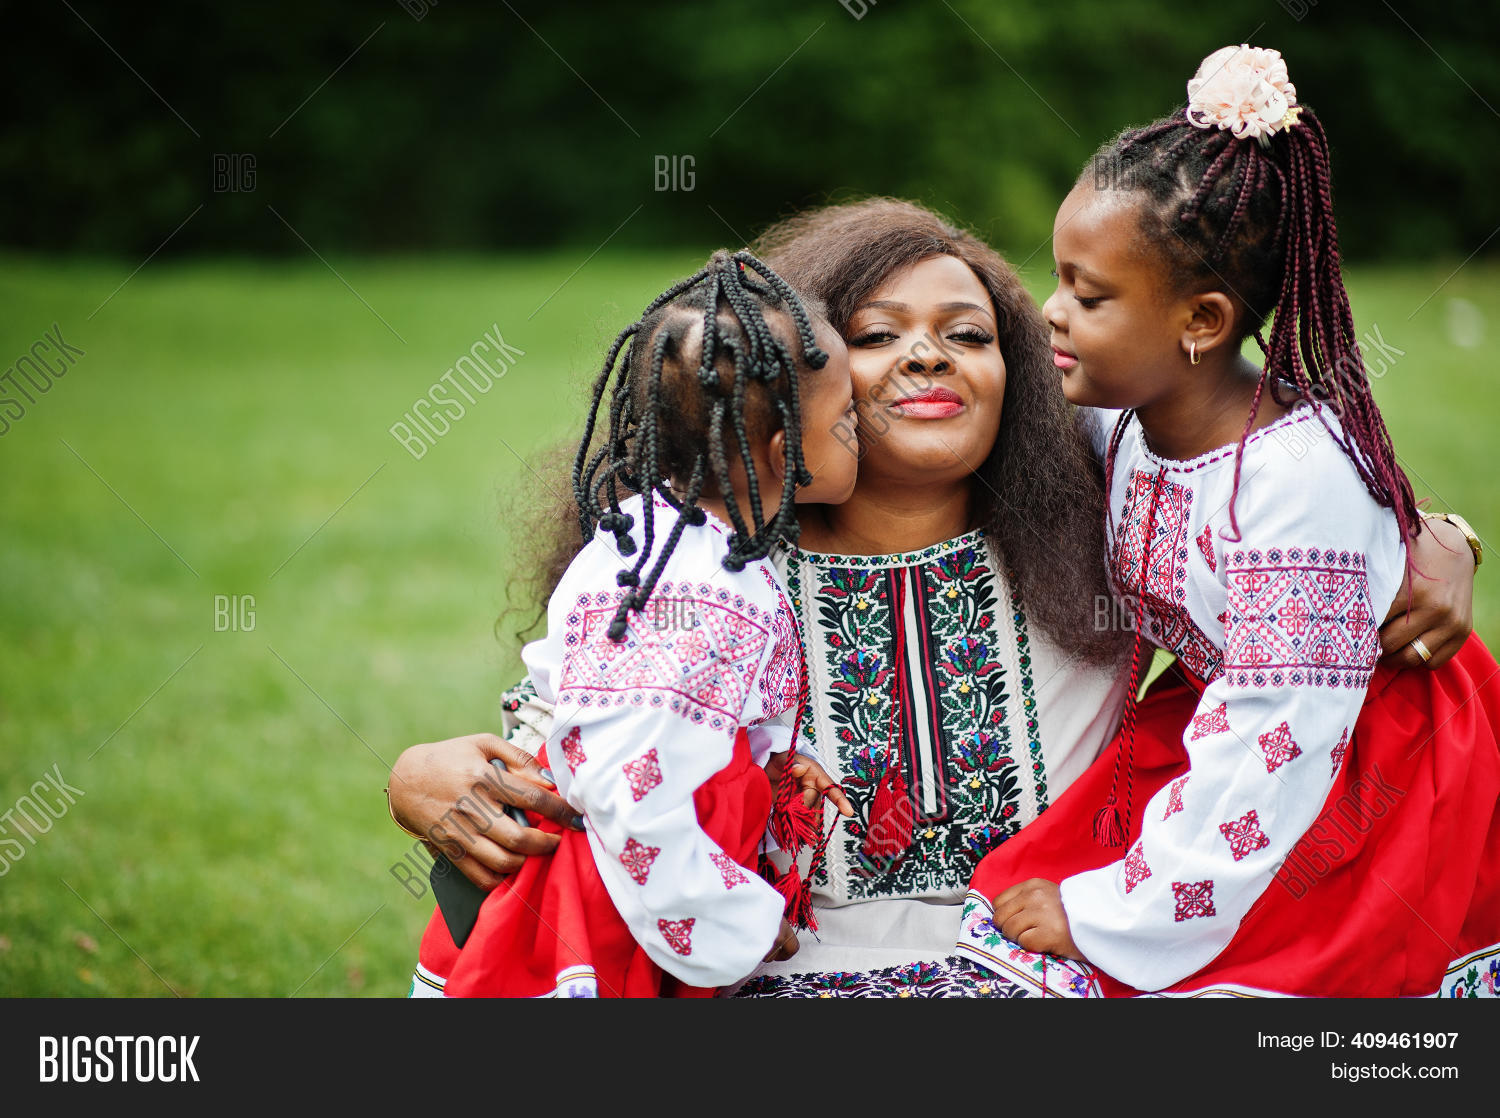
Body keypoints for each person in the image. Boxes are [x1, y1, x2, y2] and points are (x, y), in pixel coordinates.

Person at [390, 196, 1480, 998]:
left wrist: (1437, 535)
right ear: (790, 390)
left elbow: (1281, 500)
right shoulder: (713, 557)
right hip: (767, 965)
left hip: (1041, 954)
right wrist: (422, 770)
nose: (927, 356)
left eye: (970, 335)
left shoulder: (1091, 492)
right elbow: (601, 722)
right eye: (873, 336)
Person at [959, 45, 1500, 998]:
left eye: (1087, 296)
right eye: (1059, 279)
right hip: (1233, 712)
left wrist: (1115, 912)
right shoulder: (1120, 408)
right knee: (1006, 898)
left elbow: (1275, 748)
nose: (1052, 312)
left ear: (1202, 321)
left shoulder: (1297, 482)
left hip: (1352, 759)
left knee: (1226, 978)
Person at [411, 251, 859, 997]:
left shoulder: (645, 540)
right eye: (845, 418)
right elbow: (633, 783)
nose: (858, 429)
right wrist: (737, 924)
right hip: (613, 904)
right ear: (789, 453)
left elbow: (623, 703)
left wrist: (777, 750)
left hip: (618, 877)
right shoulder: (705, 590)